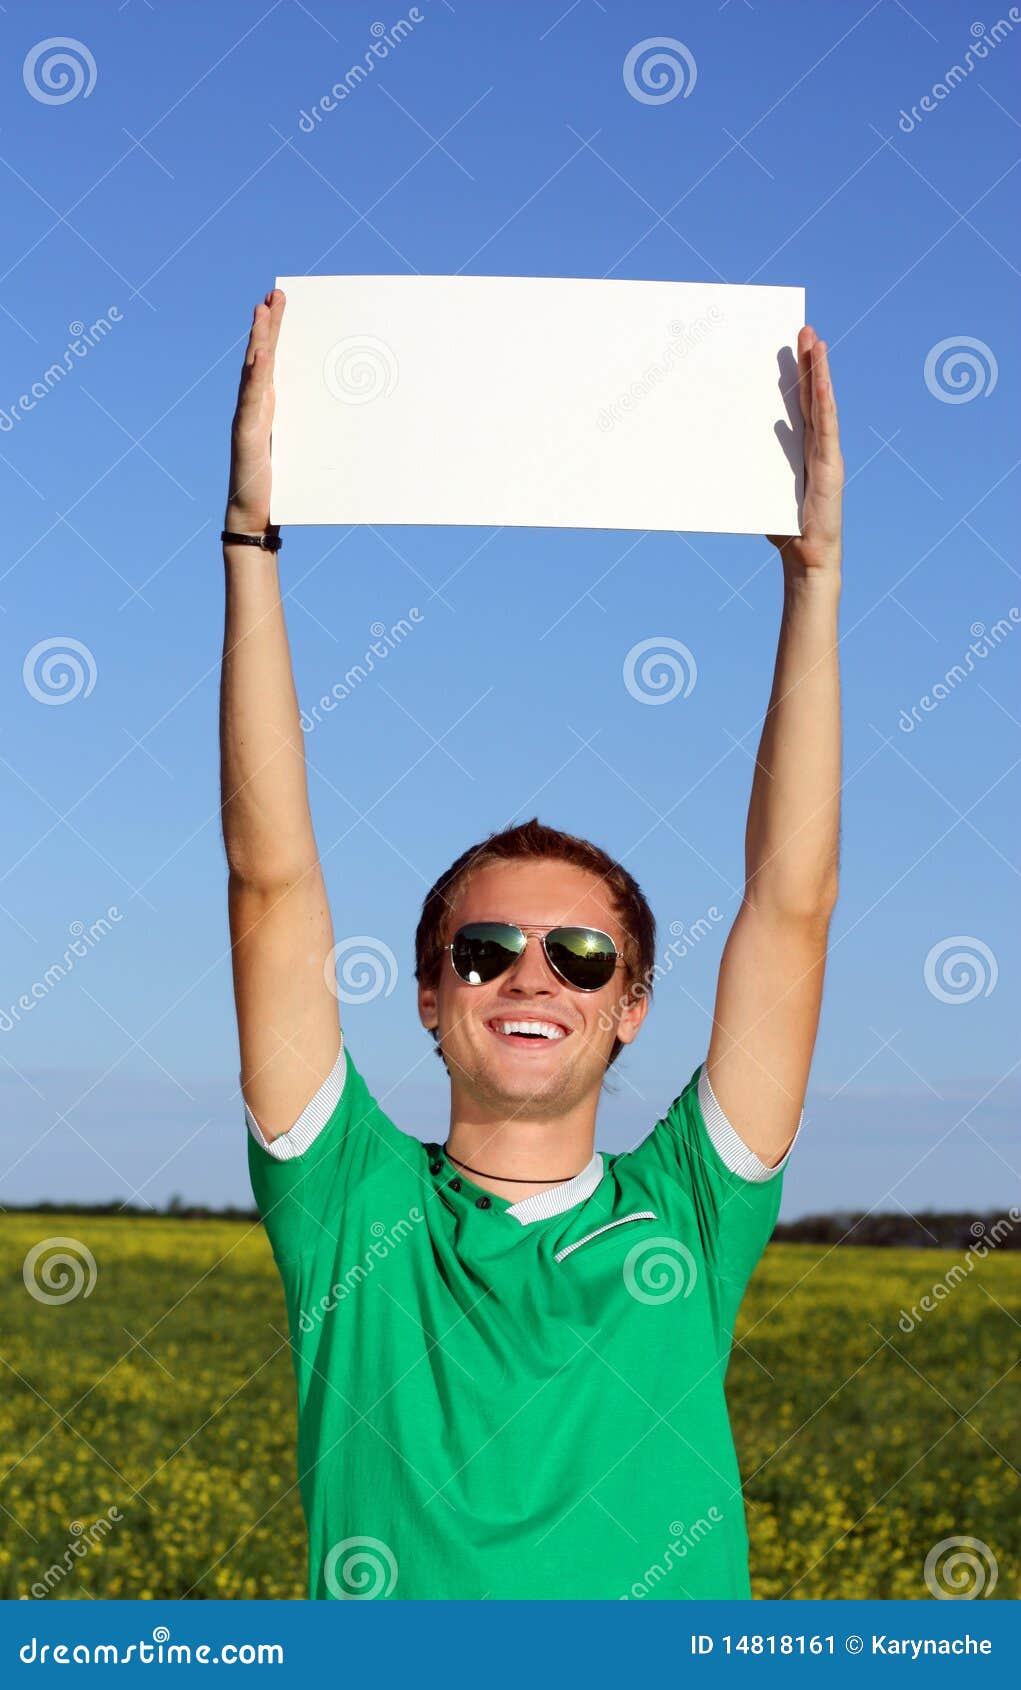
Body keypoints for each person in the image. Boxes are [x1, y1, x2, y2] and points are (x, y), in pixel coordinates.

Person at [220, 287, 844, 1600]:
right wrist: (249, 544)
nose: (529, 975)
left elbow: (789, 902)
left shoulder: (686, 1208)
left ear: (631, 1006)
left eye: (581, 957)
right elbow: (270, 886)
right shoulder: (350, 1210)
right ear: (430, 996)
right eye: (488, 945)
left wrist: (813, 585)